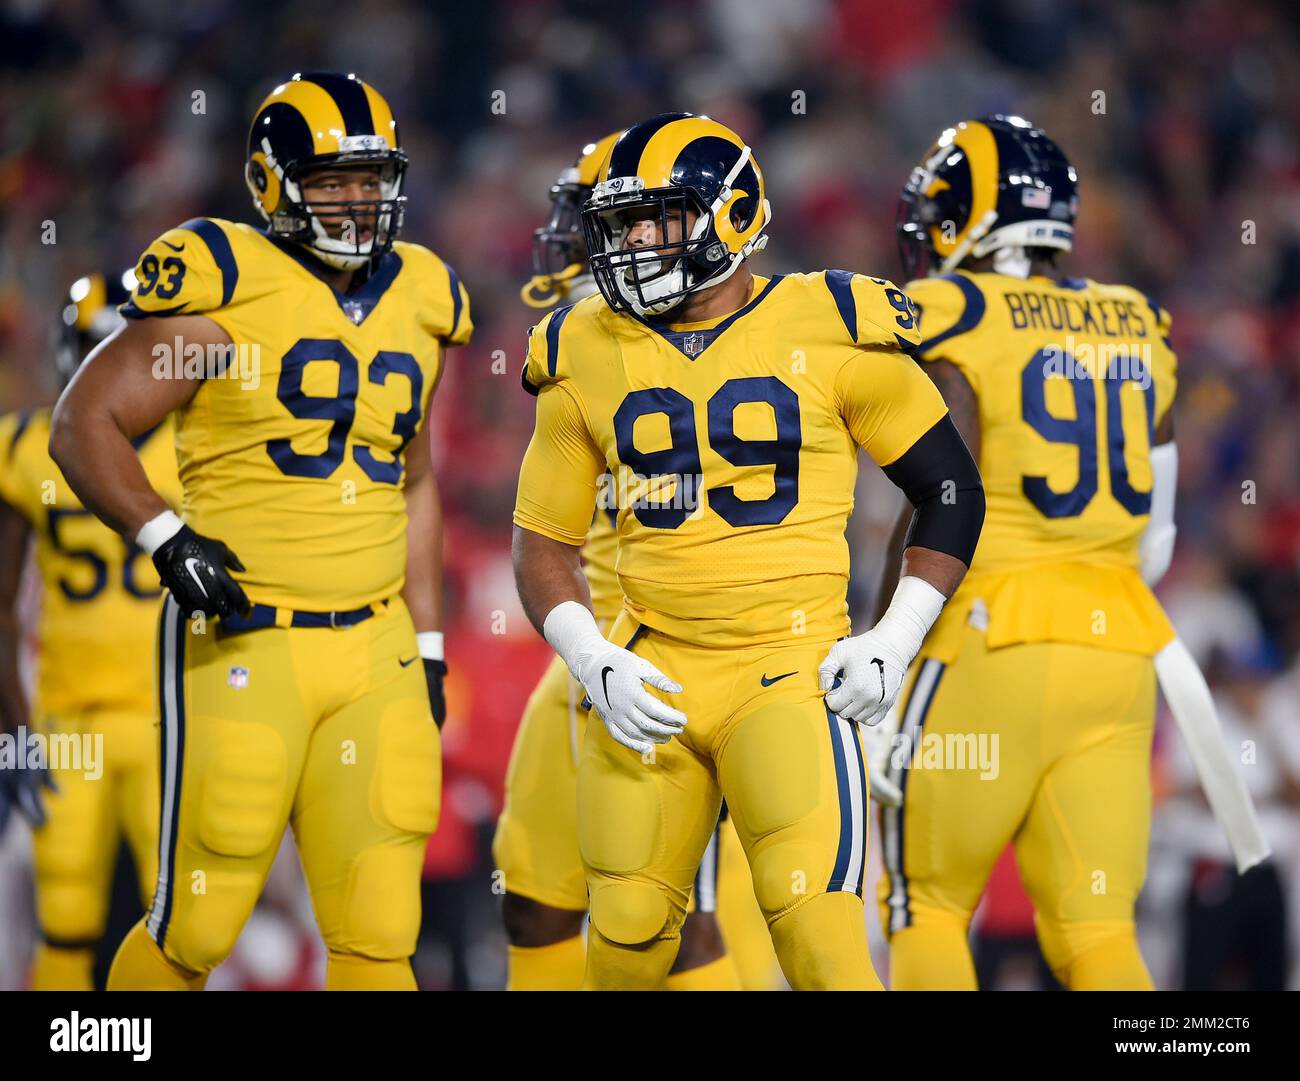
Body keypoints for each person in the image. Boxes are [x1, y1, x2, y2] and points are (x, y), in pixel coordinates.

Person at [512, 112, 984, 989]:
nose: (634, 244)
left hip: (790, 672)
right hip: (651, 673)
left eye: (657, 219)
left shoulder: (832, 318)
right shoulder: (580, 342)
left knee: (820, 945)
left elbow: (950, 489)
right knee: (622, 940)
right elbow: (542, 543)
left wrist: (894, 637)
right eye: (624, 224)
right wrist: (589, 656)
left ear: (729, 217)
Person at [49, 72, 471, 991]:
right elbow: (85, 423)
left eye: (371, 178)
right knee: (195, 923)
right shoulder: (227, 283)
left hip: (376, 647)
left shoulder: (425, 295)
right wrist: (166, 536)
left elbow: (418, 482)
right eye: (332, 180)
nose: (358, 201)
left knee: (379, 926)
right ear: (275, 184)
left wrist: (430, 641)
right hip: (249, 635)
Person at [874, 115, 1179, 990]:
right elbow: (1155, 535)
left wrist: (881, 634)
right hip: (1121, 648)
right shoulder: (1138, 320)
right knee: (1097, 932)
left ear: (968, 216)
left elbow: (945, 498)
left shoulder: (953, 312)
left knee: (924, 906)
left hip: (983, 634)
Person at [496, 131, 773, 990]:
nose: (592, 246)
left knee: (671, 919)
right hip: (584, 645)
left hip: (670, 653)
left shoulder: (722, 338)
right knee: (533, 893)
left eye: (608, 226)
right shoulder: (584, 345)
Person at [0, 271, 179, 989]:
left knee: (184, 920)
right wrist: (15, 726)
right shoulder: (186, 450)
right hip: (82, 718)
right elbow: (3, 600)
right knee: (68, 918)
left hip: (169, 715)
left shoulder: (197, 446)